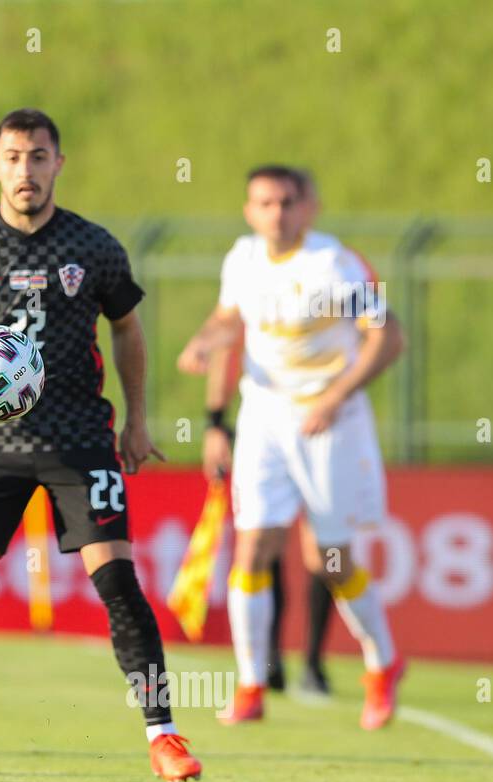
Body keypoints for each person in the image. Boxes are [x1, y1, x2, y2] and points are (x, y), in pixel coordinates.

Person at [0, 108, 202, 782]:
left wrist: (136, 421)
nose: (26, 169)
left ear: (59, 164)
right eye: (14, 157)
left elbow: (129, 332)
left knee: (117, 581)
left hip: (81, 439)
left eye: (39, 156)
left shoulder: (94, 246)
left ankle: (164, 734)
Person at [178, 165, 406, 729]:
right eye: (264, 203)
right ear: (249, 211)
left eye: (286, 202)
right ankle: (252, 683)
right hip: (263, 418)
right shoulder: (243, 259)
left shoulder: (335, 265)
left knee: (327, 558)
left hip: (330, 421)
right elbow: (230, 323)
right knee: (252, 548)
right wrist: (212, 406)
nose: (276, 213)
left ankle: (382, 663)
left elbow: (389, 337)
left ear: (309, 208)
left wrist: (333, 396)